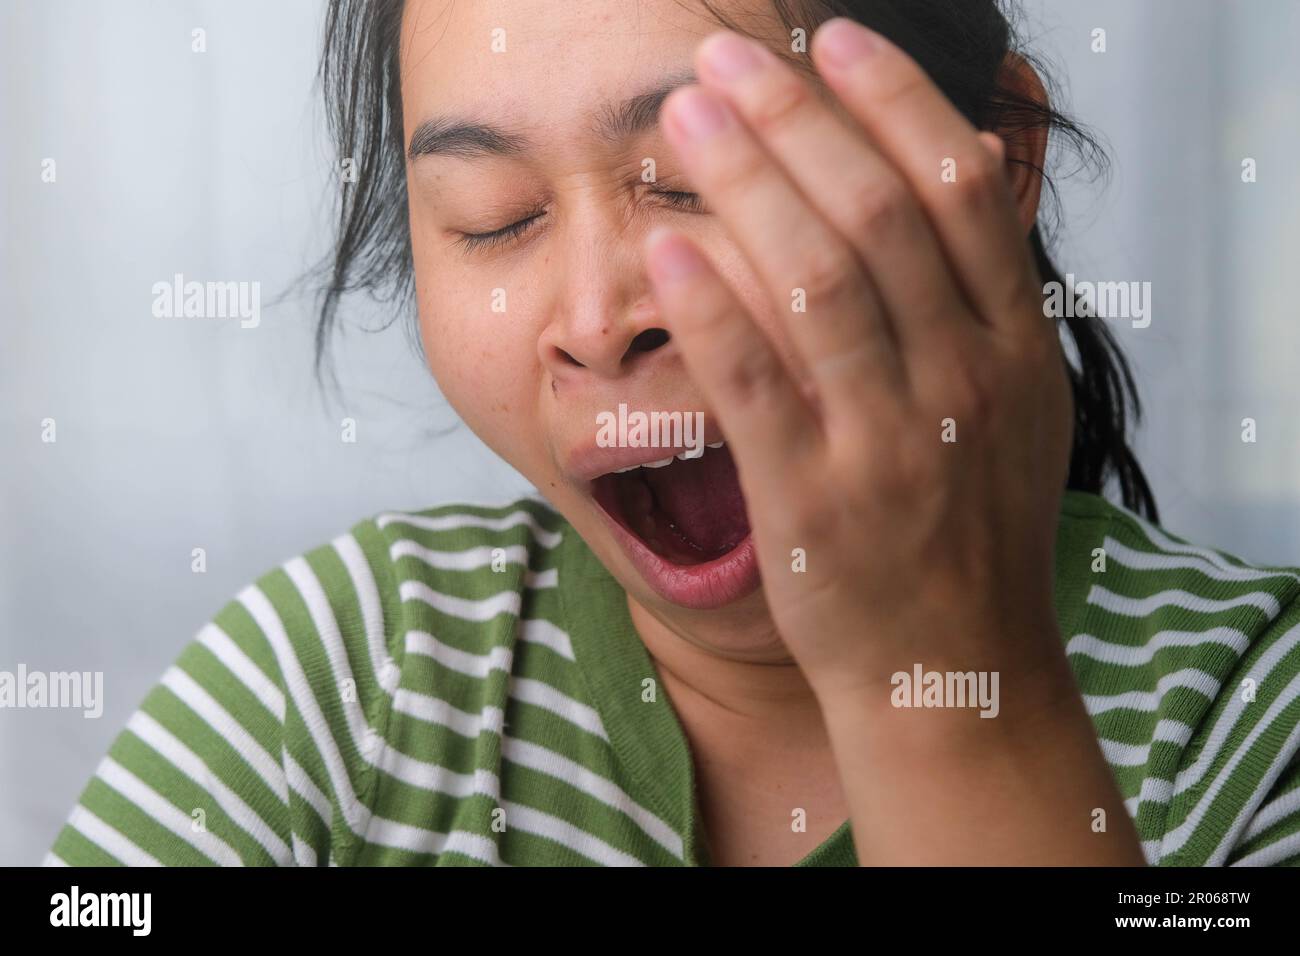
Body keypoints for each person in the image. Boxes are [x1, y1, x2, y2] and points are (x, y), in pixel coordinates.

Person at [47, 0, 1300, 867]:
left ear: (990, 165)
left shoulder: (1250, 717)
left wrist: (948, 689)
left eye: (698, 181)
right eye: (495, 217)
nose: (596, 321)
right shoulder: (345, 676)